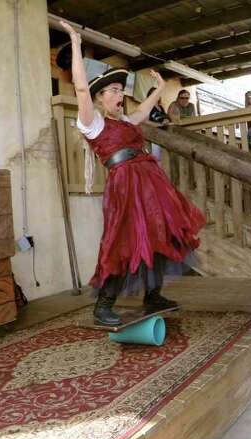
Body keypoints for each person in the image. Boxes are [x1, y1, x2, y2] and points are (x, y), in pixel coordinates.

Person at [60, 21, 207, 326]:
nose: (119, 95)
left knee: (157, 234)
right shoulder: (93, 123)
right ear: (100, 97)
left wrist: (160, 89)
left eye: (120, 91)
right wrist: (75, 43)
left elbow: (142, 113)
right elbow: (81, 87)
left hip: (150, 181)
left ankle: (153, 295)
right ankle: (104, 304)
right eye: (113, 91)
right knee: (121, 239)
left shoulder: (126, 120)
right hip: (125, 184)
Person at [142, 87, 172, 161]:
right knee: (157, 158)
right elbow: (145, 122)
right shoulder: (148, 106)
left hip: (164, 134)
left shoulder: (161, 107)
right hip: (154, 134)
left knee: (164, 158)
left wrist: (166, 120)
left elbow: (165, 118)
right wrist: (160, 124)